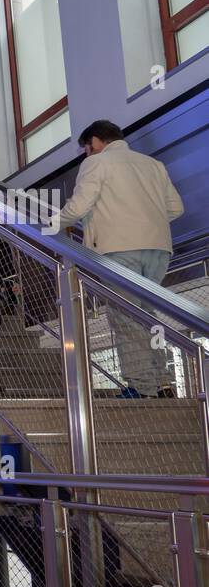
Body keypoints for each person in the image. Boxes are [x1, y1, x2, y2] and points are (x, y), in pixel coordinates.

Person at [58, 119, 184, 397]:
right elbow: (175, 208)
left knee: (126, 318)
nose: (86, 154)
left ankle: (143, 386)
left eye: (86, 148)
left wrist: (49, 223)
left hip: (118, 249)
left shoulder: (96, 163)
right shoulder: (153, 164)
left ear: (95, 141)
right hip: (158, 250)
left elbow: (78, 206)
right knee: (146, 315)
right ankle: (163, 382)